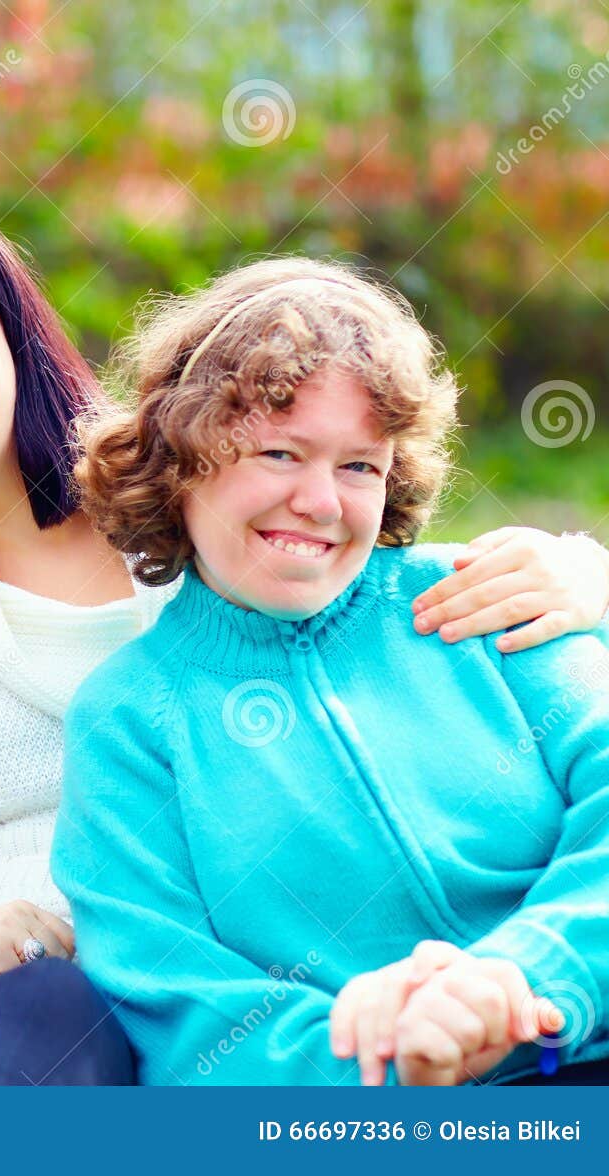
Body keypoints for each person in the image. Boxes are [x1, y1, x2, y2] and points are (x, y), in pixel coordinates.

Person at [0, 194, 609, 1085]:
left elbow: (359, 545)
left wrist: (582, 574)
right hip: (31, 1026)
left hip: (296, 985)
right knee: (53, 1014)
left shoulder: (196, 467)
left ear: (3, 317)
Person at [57, 256, 609, 1085]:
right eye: (280, 453)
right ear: (181, 458)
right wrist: (392, 1065)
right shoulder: (130, 718)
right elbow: (177, 1004)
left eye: (360, 466)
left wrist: (522, 980)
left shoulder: (482, 598)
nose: (322, 502)